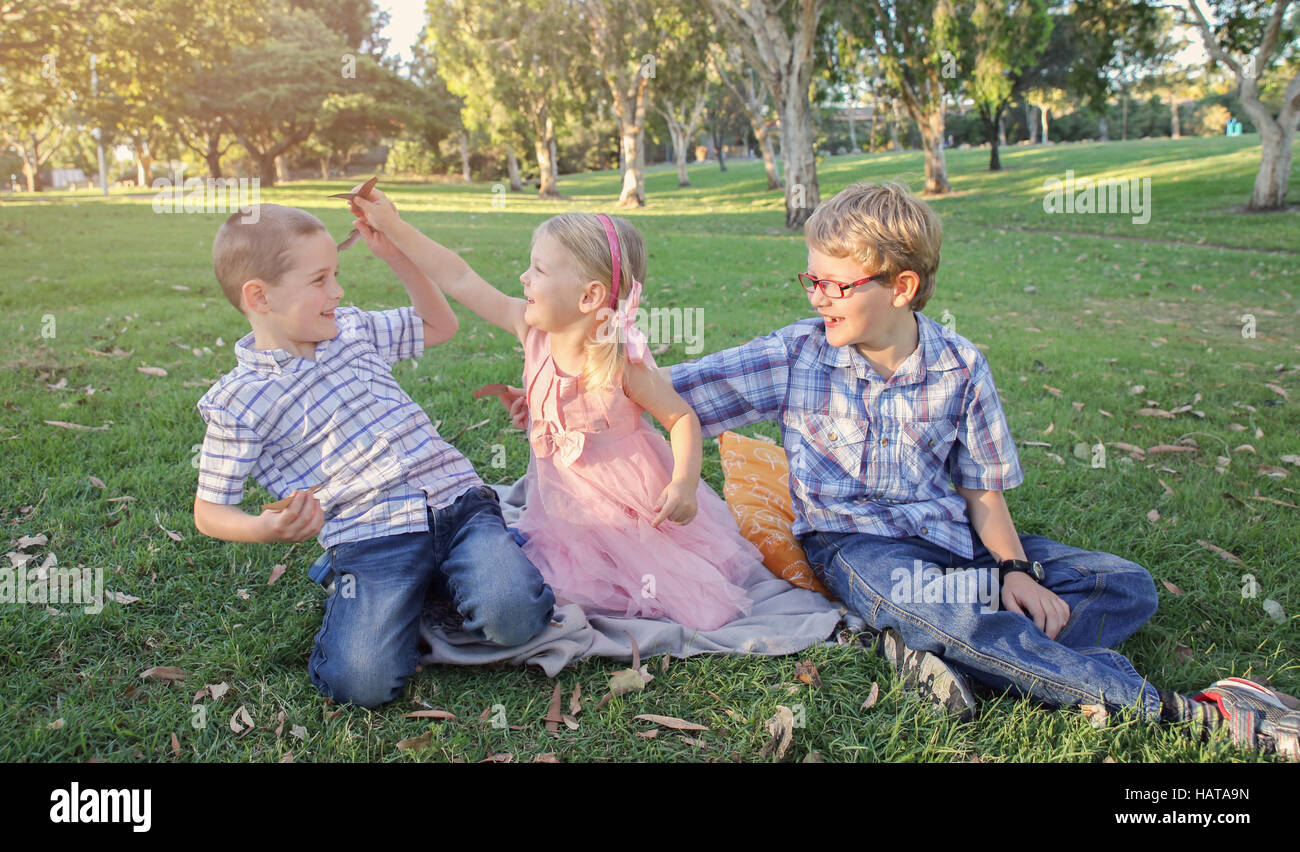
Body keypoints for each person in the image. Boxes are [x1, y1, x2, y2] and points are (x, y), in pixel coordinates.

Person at [665, 180, 1299, 756]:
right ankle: (1192, 711)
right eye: (812, 281)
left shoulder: (961, 367)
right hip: (858, 546)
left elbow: (983, 494)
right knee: (927, 608)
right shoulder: (794, 354)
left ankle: (951, 655)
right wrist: (587, 366)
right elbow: (678, 391)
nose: (818, 296)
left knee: (1124, 582)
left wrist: (1013, 571)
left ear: (902, 286)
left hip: (955, 544)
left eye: (836, 284)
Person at [351, 190, 768, 631]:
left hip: (628, 506)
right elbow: (460, 278)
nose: (523, 277)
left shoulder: (620, 359)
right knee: (554, 575)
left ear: (588, 296)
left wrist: (683, 483)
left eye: (539, 269)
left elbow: (680, 417)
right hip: (563, 507)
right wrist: (394, 226)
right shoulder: (530, 330)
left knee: (663, 592)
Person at [192, 203, 555, 709]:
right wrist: (264, 528)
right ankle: (401, 594)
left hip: (456, 505)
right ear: (259, 295)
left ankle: (441, 583)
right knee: (359, 684)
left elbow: (440, 324)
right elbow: (209, 512)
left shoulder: (352, 329)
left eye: (335, 276)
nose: (336, 292)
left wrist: (399, 258)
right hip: (370, 537)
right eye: (319, 280)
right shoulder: (238, 401)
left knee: (516, 617)